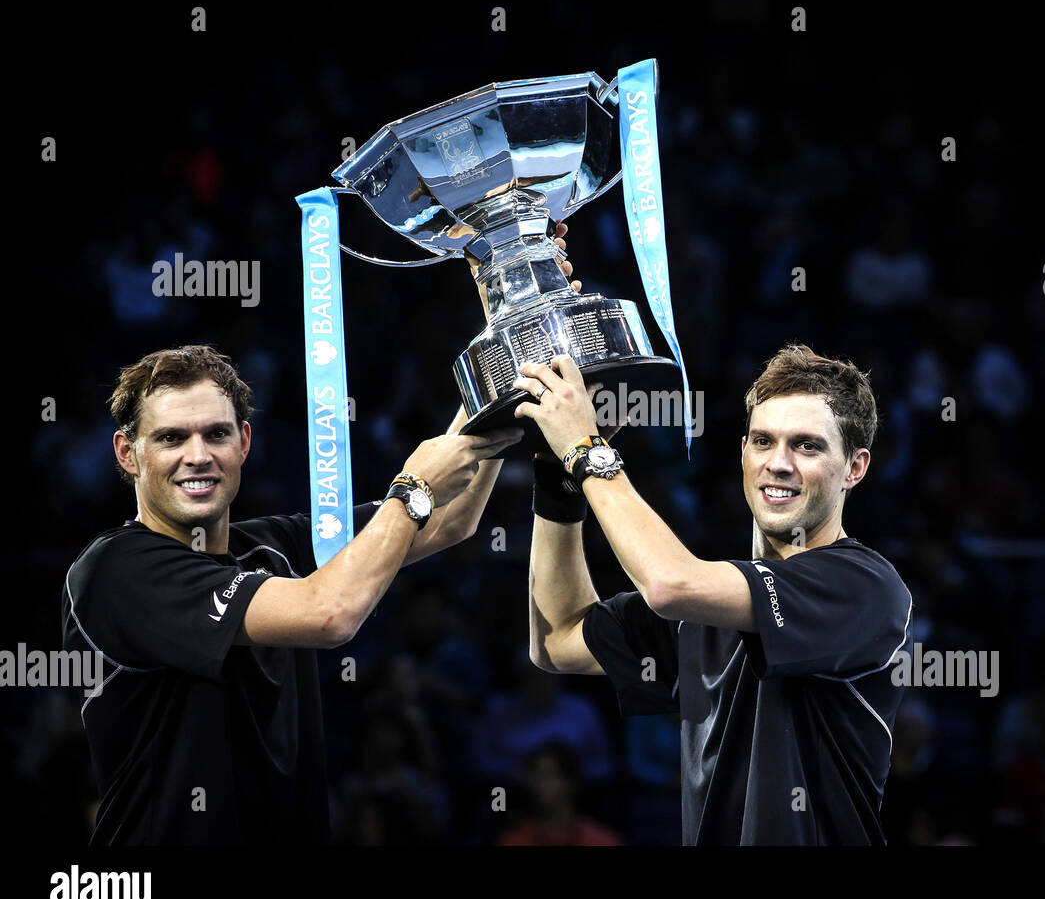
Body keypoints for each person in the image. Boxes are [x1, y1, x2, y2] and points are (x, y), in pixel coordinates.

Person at [61, 344, 519, 843]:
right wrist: (412, 489)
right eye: (171, 438)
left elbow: (448, 519)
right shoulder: (116, 569)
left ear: (244, 442)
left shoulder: (277, 545)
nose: (198, 456)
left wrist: (499, 368)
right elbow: (330, 613)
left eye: (217, 434)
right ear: (128, 453)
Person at [518, 343, 913, 844]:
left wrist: (586, 451)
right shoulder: (707, 600)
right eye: (763, 441)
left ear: (855, 468)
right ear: (742, 452)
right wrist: (559, 482)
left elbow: (667, 583)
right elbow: (558, 641)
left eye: (807, 446)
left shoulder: (865, 585)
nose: (779, 463)